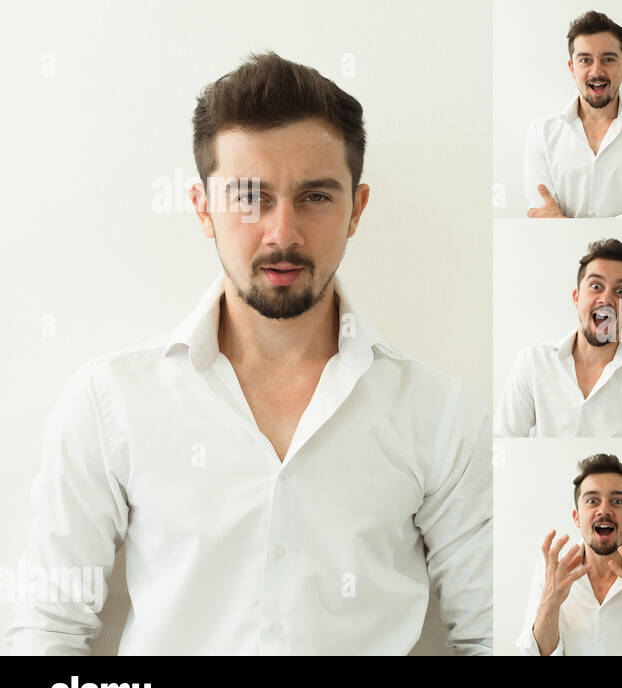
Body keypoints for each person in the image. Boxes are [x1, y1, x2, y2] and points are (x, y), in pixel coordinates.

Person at [4, 52, 492, 655]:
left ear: (356, 209)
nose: (282, 233)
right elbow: (46, 633)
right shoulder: (110, 401)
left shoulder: (440, 415)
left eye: (314, 197)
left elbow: (491, 632)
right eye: (249, 197)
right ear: (204, 207)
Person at [494, 238, 622, 437]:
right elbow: (504, 441)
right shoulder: (532, 363)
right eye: (596, 286)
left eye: (620, 291)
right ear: (576, 298)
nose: (606, 299)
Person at [517, 454, 622, 655]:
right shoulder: (550, 571)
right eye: (592, 500)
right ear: (576, 518)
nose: (604, 509)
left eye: (617, 501)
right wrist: (550, 603)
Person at [523, 11, 622, 218]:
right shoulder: (541, 133)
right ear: (572, 68)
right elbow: (543, 216)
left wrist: (564, 223)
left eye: (608, 59)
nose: (596, 71)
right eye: (585, 60)